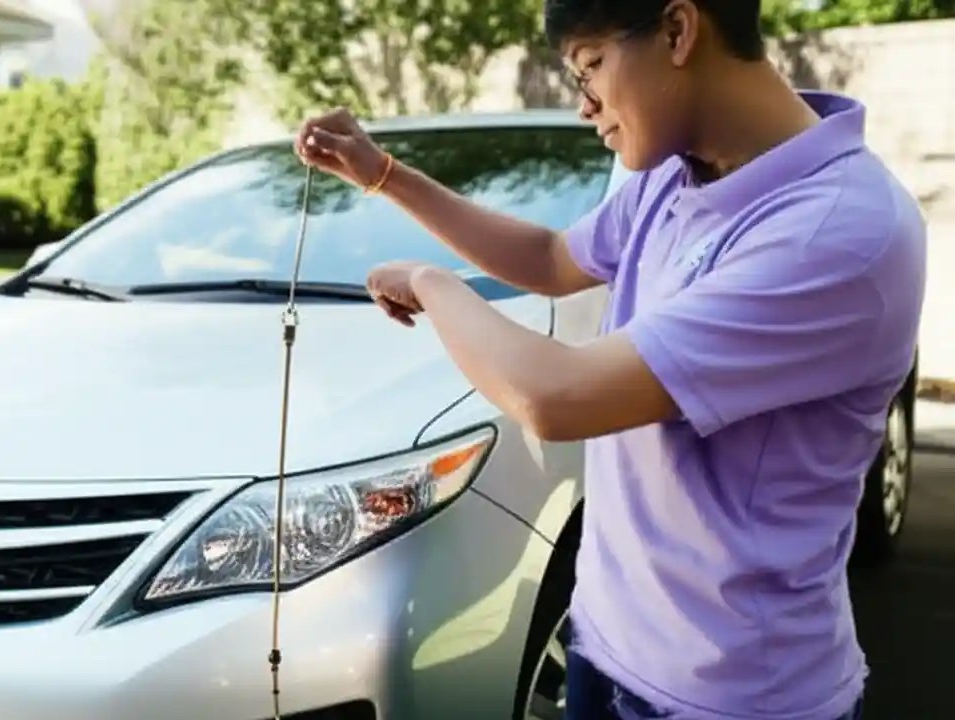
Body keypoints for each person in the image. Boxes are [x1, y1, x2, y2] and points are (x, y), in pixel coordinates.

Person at [294, 0, 926, 718]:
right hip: (605, 645)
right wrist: (383, 175)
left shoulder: (838, 230)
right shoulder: (678, 174)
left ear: (678, 31)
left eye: (591, 65)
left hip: (727, 695)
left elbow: (556, 397)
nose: (583, 105)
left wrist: (433, 286)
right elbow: (551, 257)